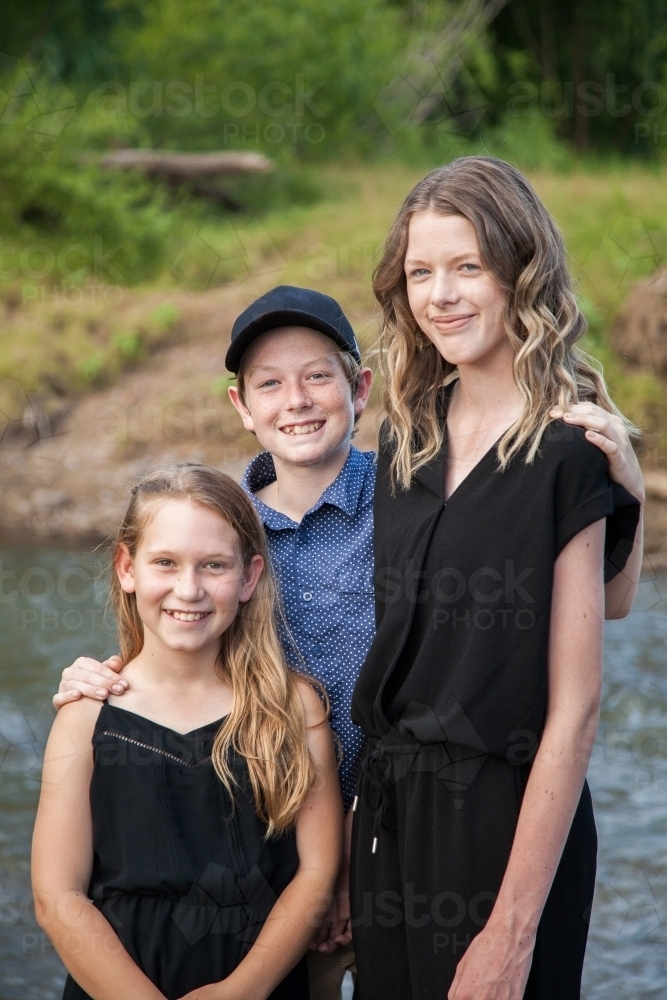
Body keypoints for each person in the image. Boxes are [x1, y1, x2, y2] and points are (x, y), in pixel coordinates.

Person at [52, 284, 643, 999]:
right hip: (270, 852)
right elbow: (176, 633)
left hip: (405, 833)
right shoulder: (222, 530)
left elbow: (601, 604)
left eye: (317, 377)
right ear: (241, 407)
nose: (295, 400)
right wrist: (104, 676)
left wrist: (625, 494)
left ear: (358, 388)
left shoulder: (419, 494)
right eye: (269, 384)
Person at [349, 155, 643, 1000]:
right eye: (419, 272)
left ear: (521, 269)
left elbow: (577, 702)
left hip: (503, 823)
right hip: (389, 815)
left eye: (467, 266)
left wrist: (511, 933)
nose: (439, 294)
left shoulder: (564, 442)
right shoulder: (406, 432)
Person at [33, 464, 342, 1000]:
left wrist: (241, 991)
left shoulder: (294, 709)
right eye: (165, 563)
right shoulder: (86, 716)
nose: (189, 588)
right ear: (127, 568)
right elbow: (57, 896)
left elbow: (316, 874)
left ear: (248, 578)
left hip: (258, 984)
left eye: (214, 566)